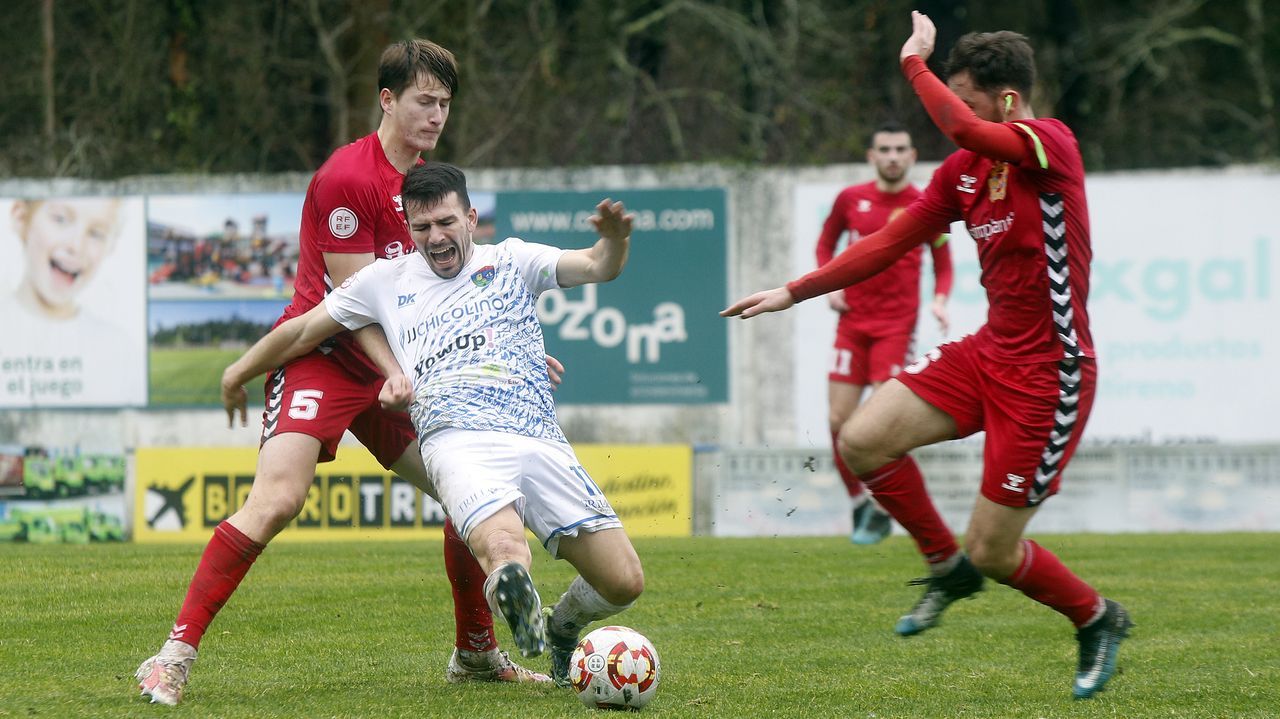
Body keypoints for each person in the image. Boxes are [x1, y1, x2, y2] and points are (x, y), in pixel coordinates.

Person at [723, 12, 1132, 700]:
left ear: (1005, 101)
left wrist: (914, 62)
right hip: (987, 354)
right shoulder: (965, 174)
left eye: (965, 98)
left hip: (1049, 375)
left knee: (997, 551)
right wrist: (794, 290)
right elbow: (886, 242)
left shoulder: (1049, 143)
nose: (957, 118)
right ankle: (945, 567)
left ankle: (1096, 616)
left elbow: (969, 128)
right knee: (862, 440)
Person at [135, 40, 550, 707]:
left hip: (393, 371)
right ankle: (172, 654)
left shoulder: (427, 184)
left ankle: (475, 653)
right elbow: (355, 309)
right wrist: (398, 372)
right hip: (321, 359)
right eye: (424, 100)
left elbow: (451, 287)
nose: (436, 114)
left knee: (470, 487)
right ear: (387, 99)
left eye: (445, 102)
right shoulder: (346, 178)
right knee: (277, 500)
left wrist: (506, 343)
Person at [219, 162, 645, 689]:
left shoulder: (511, 259)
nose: (435, 238)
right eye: (421, 229)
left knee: (624, 581)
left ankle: (560, 627)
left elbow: (598, 266)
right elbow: (303, 330)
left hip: (537, 437)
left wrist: (615, 244)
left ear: (470, 218)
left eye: (445, 223)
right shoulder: (383, 281)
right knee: (508, 549)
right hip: (456, 440)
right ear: (409, 228)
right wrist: (239, 371)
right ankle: (512, 592)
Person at [815, 121, 952, 545]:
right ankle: (861, 504)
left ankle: (884, 505)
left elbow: (944, 264)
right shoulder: (849, 200)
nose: (892, 157)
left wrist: (940, 300)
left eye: (900, 149)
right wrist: (829, 284)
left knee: (876, 421)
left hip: (896, 326)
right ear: (872, 156)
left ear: (912, 156)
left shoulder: (926, 203)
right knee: (838, 420)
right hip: (853, 322)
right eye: (885, 149)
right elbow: (825, 244)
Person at [3, 197, 147, 407]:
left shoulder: (121, 352)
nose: (76, 246)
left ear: (112, 246)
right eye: (60, 219)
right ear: (21, 217)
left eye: (97, 234)